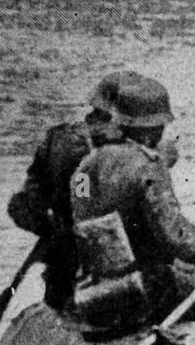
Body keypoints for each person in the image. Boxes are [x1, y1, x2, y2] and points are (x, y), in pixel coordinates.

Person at [70, 76, 195, 332]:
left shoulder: (86, 166)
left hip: (97, 288)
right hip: (146, 288)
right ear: (155, 127)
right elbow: (178, 237)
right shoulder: (149, 168)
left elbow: (81, 210)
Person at [7, 72, 129, 311]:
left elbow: (23, 206)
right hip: (113, 275)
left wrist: (55, 234)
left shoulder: (58, 138)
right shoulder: (121, 151)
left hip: (63, 276)